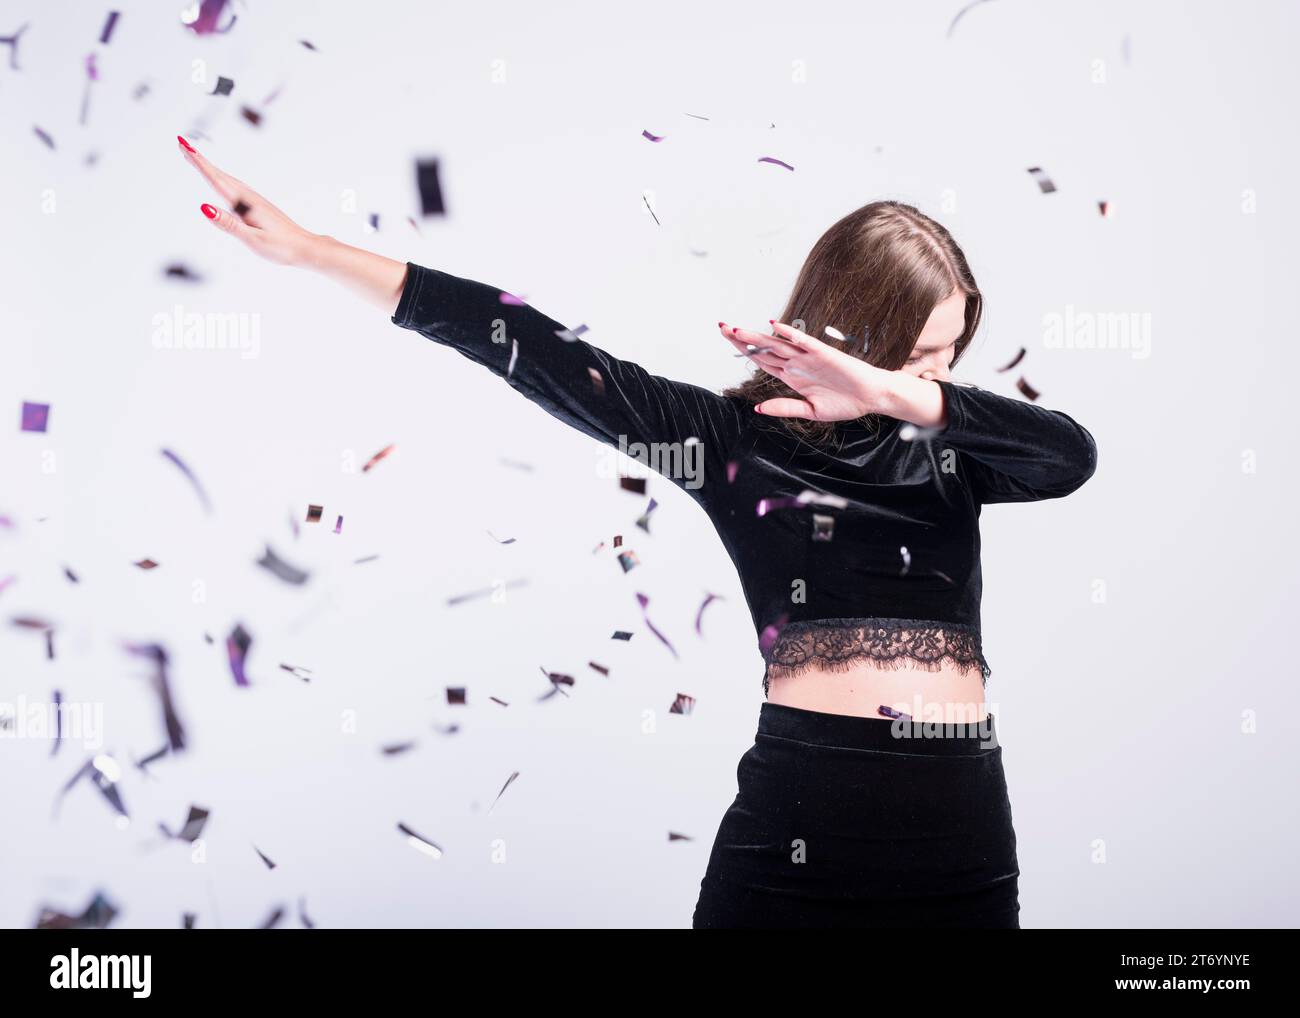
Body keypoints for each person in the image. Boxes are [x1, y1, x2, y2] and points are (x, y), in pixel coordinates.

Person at [177, 135, 1098, 928]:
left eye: (947, 360)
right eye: (918, 354)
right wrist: (314, 251)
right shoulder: (732, 441)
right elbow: (529, 347)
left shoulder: (956, 448)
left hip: (958, 819)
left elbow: (1071, 458)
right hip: (802, 805)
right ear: (856, 327)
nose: (938, 378)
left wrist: (902, 394)